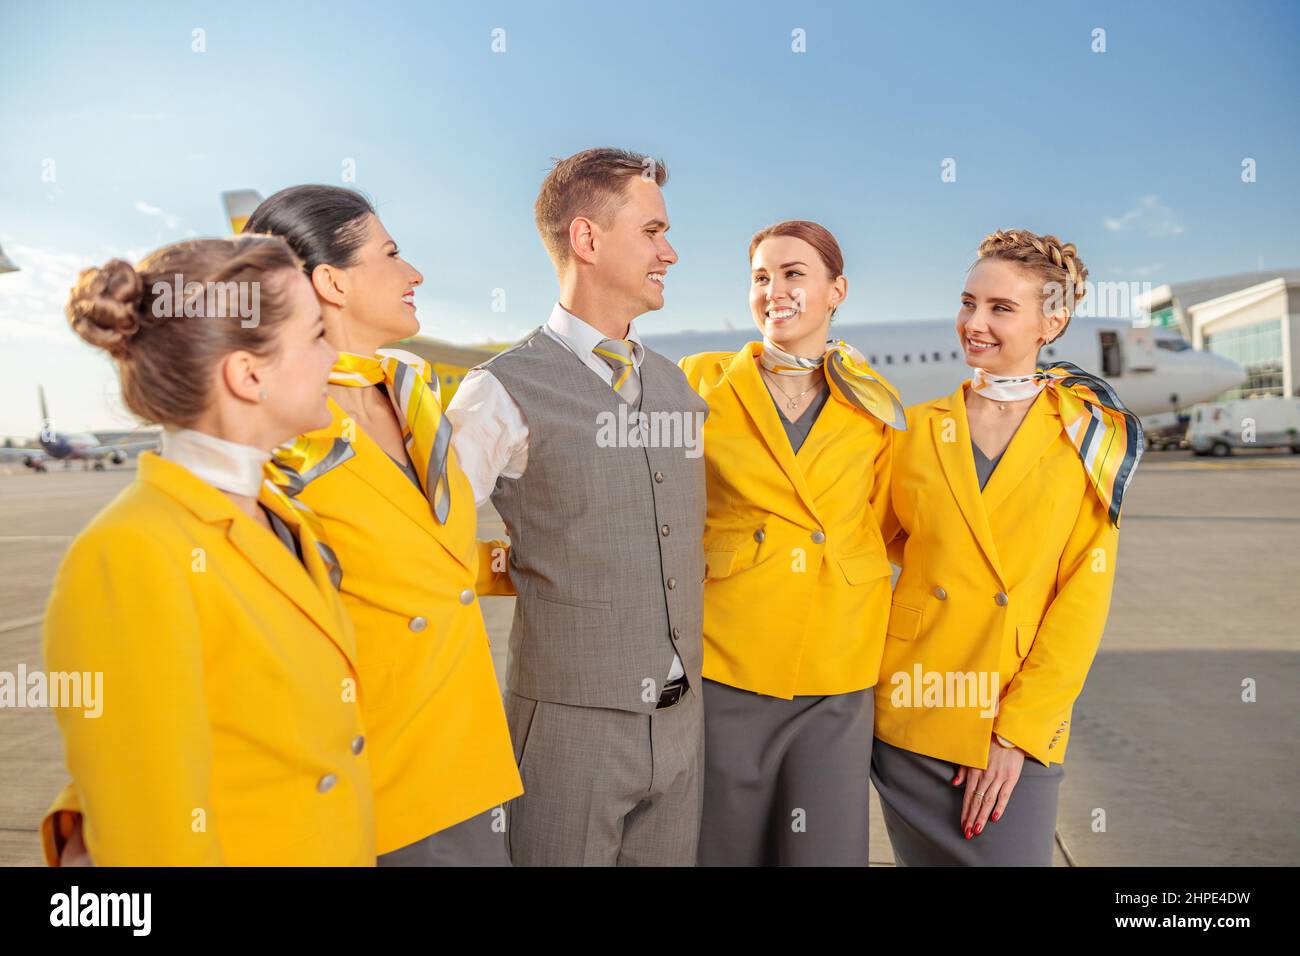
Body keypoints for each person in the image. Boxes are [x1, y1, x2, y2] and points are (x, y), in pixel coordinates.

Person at [41, 236, 375, 865]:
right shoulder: (132, 552)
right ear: (249, 374)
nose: (335, 357)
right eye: (315, 336)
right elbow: (154, 839)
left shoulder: (281, 515)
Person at [244, 185, 522, 866]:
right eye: (392, 255)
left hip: (471, 768)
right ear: (331, 282)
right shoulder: (273, 432)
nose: (414, 273)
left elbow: (421, 558)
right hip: (367, 789)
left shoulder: (414, 398)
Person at [446, 147, 708, 865]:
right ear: (587, 240)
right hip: (568, 730)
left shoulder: (677, 388)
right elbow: (419, 544)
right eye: (653, 232)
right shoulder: (499, 391)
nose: (671, 252)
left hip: (684, 727)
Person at [872, 228, 1143, 865]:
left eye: (1001, 308)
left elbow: (1084, 595)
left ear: (1053, 320)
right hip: (912, 709)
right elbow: (870, 545)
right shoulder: (913, 430)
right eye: (968, 303)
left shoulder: (1088, 436)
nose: (976, 323)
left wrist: (1017, 734)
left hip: (1011, 718)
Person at [679, 220, 905, 866]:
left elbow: (889, 524)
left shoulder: (873, 405)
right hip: (728, 661)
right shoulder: (701, 383)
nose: (773, 290)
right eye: (760, 277)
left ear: (837, 290)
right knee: (721, 850)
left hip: (837, 669)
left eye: (793, 274)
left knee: (824, 853)